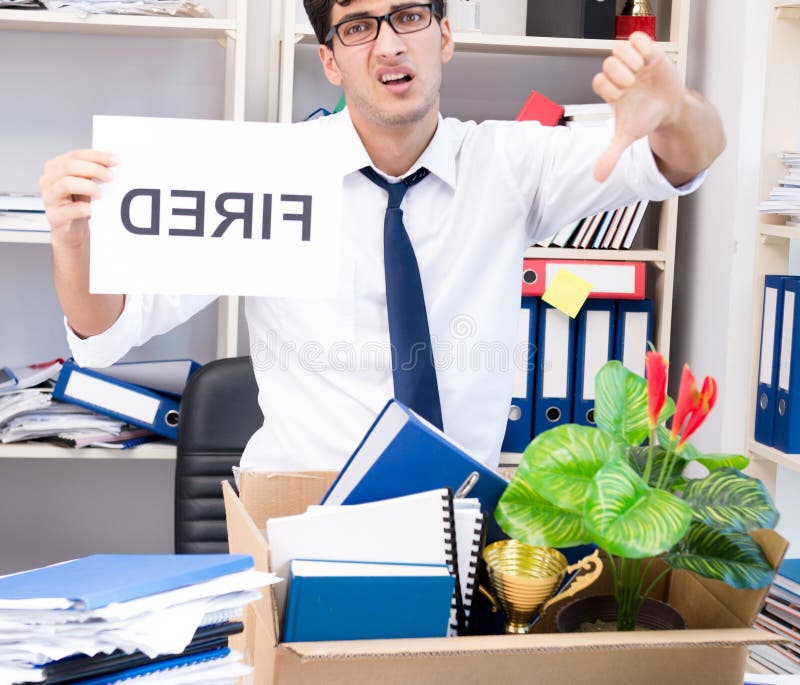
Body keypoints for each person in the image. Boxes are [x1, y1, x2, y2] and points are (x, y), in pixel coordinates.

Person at [39, 0, 725, 471]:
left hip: (457, 518)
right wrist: (72, 241)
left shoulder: (510, 163)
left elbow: (689, 156)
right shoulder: (268, 173)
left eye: (409, 16)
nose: (390, 42)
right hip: (302, 519)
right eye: (359, 25)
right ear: (332, 61)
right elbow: (104, 332)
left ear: (445, 37)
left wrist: (676, 109)